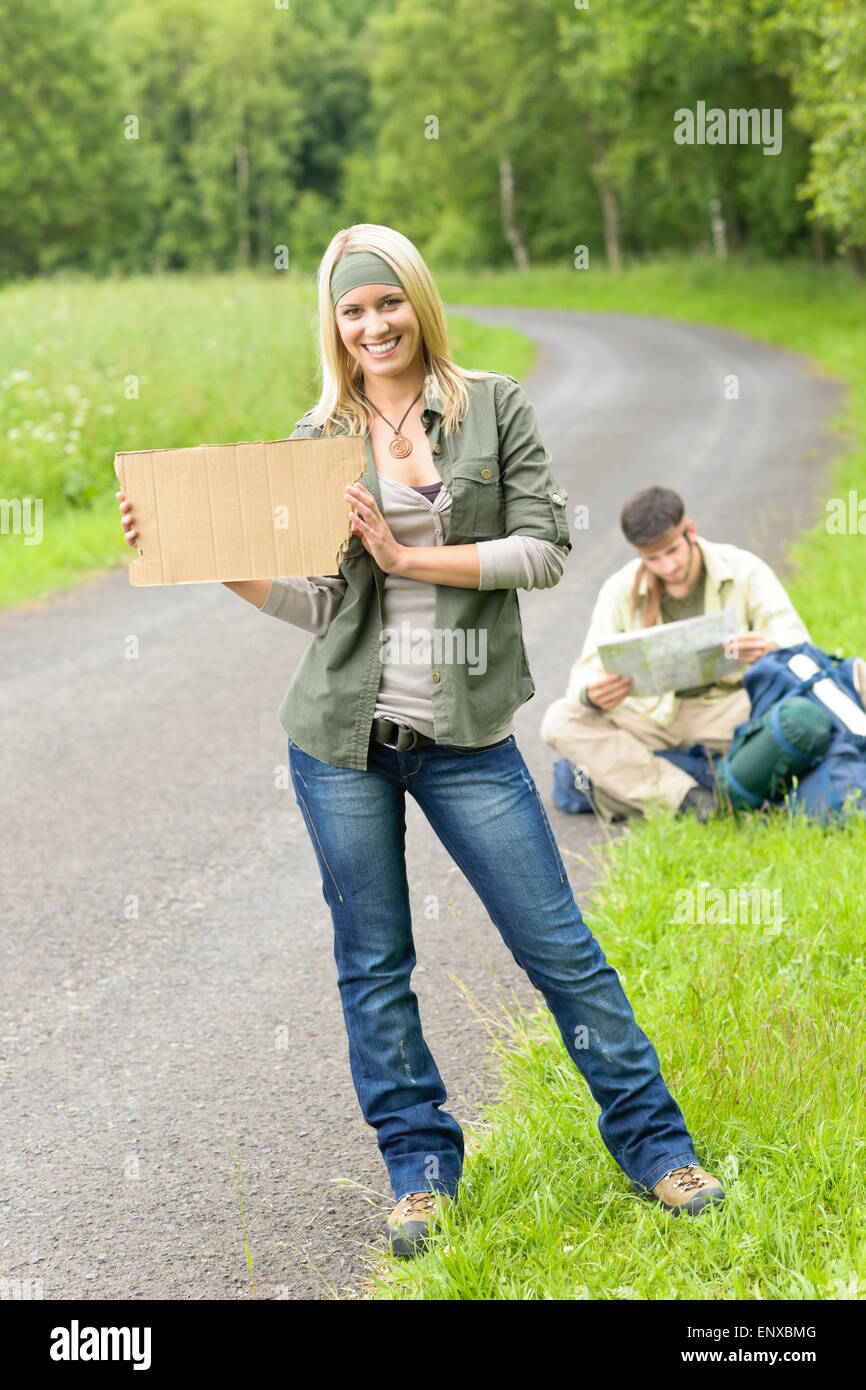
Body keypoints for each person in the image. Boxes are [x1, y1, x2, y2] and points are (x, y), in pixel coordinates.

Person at [117, 225, 726, 1259]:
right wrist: (208, 554)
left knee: (559, 952)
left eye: (386, 302)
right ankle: (418, 1171)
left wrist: (408, 553)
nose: (372, 325)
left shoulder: (492, 405)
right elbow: (317, 601)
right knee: (372, 962)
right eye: (351, 311)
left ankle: (655, 1147)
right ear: (334, 323)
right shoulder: (318, 433)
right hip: (341, 740)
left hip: (466, 735)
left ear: (417, 301)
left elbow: (540, 548)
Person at [540, 486, 811, 822]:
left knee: (803, 714)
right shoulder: (620, 588)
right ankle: (689, 800)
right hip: (654, 714)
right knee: (561, 720)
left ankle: (641, 787)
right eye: (652, 558)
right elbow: (585, 671)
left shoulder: (744, 569)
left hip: (730, 708)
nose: (666, 566)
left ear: (691, 531)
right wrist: (593, 693)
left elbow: (800, 646)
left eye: (672, 551)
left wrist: (767, 649)